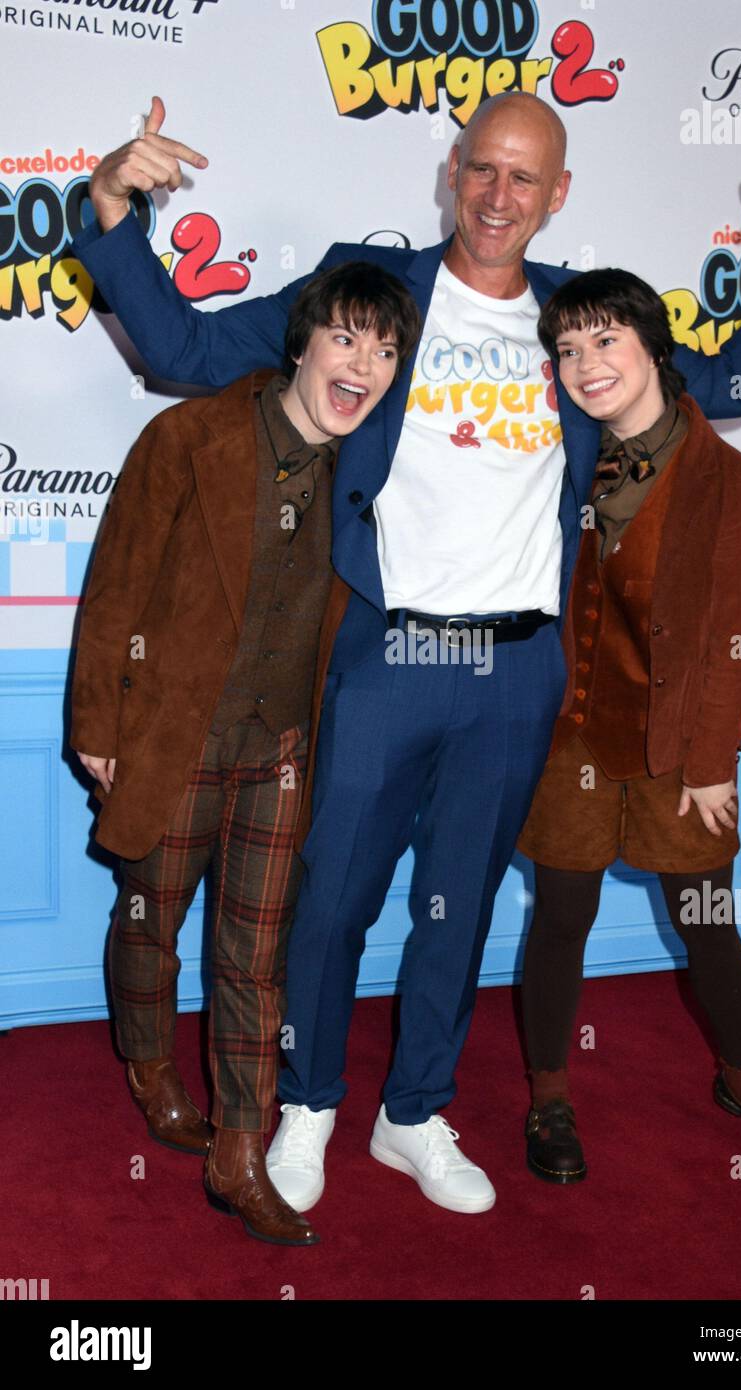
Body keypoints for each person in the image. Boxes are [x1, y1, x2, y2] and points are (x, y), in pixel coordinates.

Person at [71, 90, 741, 1217]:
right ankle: (311, 1101)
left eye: (524, 178)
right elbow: (182, 346)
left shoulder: (579, 328)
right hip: (385, 653)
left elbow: (719, 383)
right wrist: (110, 210)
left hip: (520, 672)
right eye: (480, 169)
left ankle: (413, 1111)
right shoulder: (374, 300)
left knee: (458, 904)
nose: (496, 195)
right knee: (329, 901)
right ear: (451, 174)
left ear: (556, 195)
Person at [71, 261, 421, 1245]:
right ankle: (148, 1067)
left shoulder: (367, 474)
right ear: (300, 342)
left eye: (386, 349)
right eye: (347, 338)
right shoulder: (189, 437)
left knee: (253, 958)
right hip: (172, 735)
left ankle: (238, 1146)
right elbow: (116, 586)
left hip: (281, 750)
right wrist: (98, 724)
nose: (365, 364)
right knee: (149, 921)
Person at [517, 267, 741, 1183]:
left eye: (605, 340)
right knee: (559, 921)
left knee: (707, 923)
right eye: (568, 349)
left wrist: (713, 762)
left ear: (657, 349)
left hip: (680, 750)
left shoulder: (734, 481)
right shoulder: (566, 453)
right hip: (571, 737)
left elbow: (739, 633)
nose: (584, 363)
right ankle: (549, 1096)